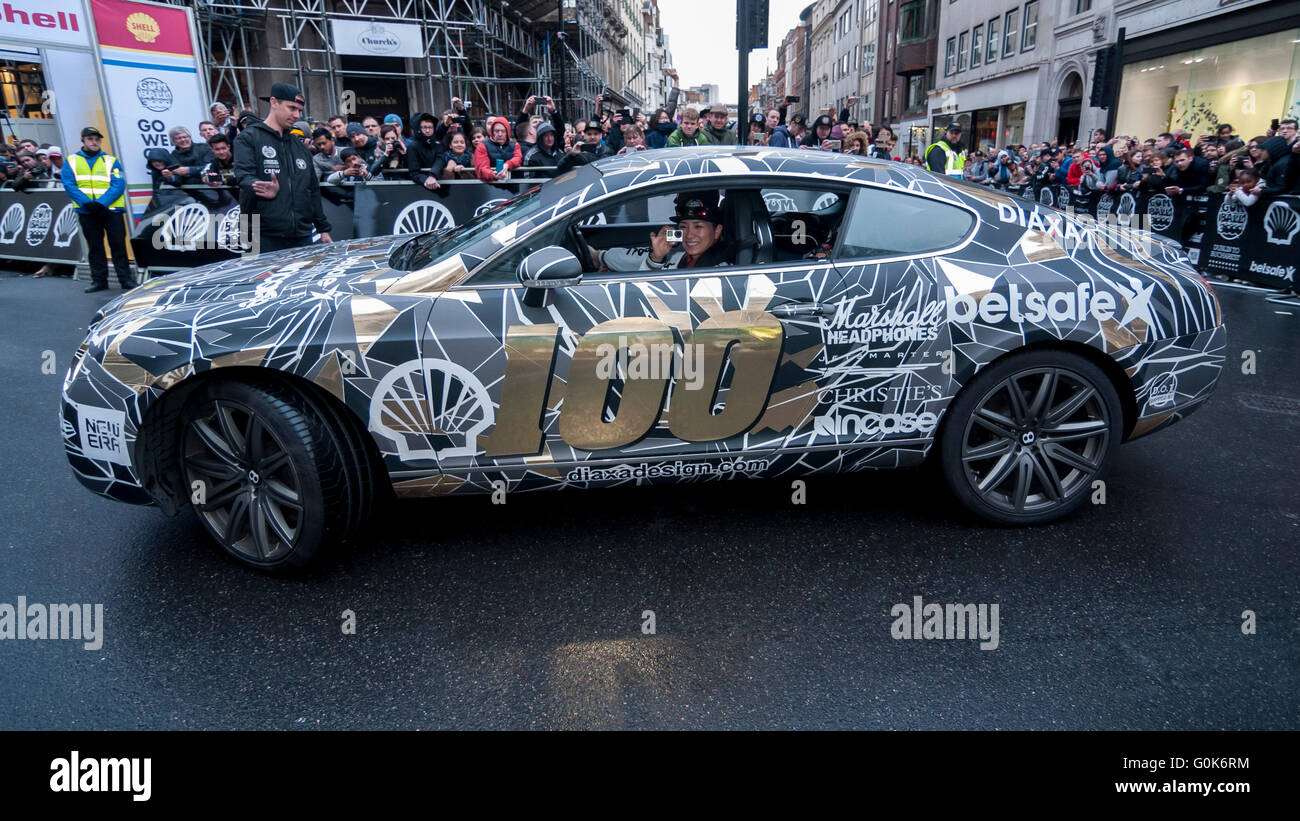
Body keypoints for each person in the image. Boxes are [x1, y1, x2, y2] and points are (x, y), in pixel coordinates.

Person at [233, 81, 332, 253]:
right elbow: (243, 176)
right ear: (274, 102)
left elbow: (313, 190)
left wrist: (323, 228)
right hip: (262, 235)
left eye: (299, 110)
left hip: (301, 236)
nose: (297, 115)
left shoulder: (301, 148)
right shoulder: (248, 138)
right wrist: (260, 186)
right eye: (291, 108)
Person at [61, 126, 136, 292]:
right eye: (90, 139)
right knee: (95, 247)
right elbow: (69, 184)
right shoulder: (71, 160)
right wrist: (86, 202)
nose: (94, 142)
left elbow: (118, 184)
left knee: (118, 245)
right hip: (87, 211)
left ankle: (126, 280)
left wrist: (101, 203)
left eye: (97, 139)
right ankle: (99, 281)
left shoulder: (110, 160)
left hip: (111, 210)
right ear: (83, 141)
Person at [644, 192, 730, 270]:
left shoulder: (721, 270)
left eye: (698, 226)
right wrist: (656, 258)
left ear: (717, 231)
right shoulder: (677, 258)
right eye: (683, 226)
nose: (689, 235)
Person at [473, 115, 522, 183]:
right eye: (497, 131)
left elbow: (518, 158)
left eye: (503, 131)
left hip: (514, 184)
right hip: (490, 186)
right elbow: (482, 167)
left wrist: (507, 165)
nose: (500, 134)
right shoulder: (483, 146)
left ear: (507, 132)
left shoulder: (515, 145)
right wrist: (493, 175)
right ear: (492, 132)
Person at [405, 114, 444, 190]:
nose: (428, 130)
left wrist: (433, 175)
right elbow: (414, 172)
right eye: (425, 127)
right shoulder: (412, 146)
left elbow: (440, 159)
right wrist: (426, 180)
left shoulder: (437, 144)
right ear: (419, 128)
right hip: (419, 186)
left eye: (430, 127)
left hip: (437, 181)